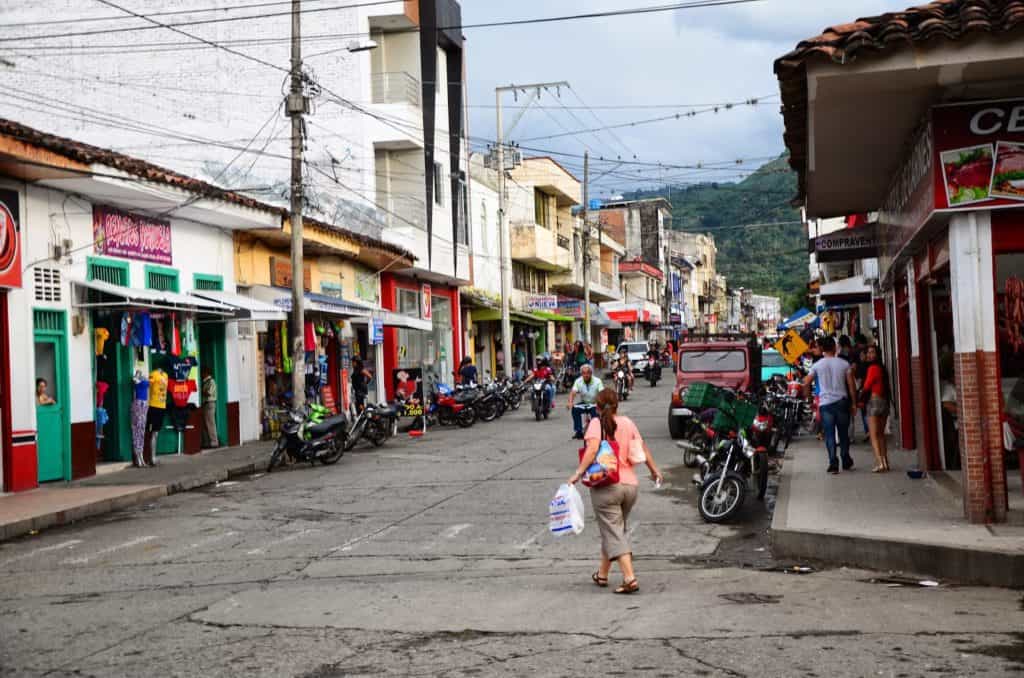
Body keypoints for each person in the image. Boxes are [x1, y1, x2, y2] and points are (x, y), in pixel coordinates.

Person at [567, 388, 663, 594]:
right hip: (630, 487)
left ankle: (629, 578)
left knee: (613, 531)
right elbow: (642, 448)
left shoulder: (595, 423)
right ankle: (603, 574)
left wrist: (578, 473)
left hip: (607, 486)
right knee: (614, 530)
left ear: (597, 406)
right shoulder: (628, 422)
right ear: (617, 405)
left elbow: (592, 450)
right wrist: (654, 470)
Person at [802, 336, 857, 474]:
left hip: (825, 404)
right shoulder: (844, 364)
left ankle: (833, 461)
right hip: (842, 402)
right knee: (843, 434)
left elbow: (806, 383)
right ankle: (845, 459)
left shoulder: (817, 365)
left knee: (830, 435)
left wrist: (809, 399)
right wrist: (854, 403)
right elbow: (851, 385)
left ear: (821, 349)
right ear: (834, 347)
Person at [858, 345, 891, 472]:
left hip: (874, 402)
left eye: (872, 352)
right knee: (881, 434)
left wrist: (859, 396)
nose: (870, 355)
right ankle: (885, 461)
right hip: (884, 402)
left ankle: (880, 463)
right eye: (869, 352)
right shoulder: (883, 369)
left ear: (877, 354)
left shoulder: (872, 368)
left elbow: (867, 386)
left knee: (873, 435)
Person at [567, 363, 603, 439]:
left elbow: (602, 393)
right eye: (583, 373)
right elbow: (573, 393)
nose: (586, 375)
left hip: (595, 403)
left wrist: (600, 404)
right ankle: (579, 431)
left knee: (595, 414)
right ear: (581, 374)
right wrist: (570, 402)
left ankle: (596, 431)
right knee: (575, 409)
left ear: (591, 373)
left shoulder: (598, 381)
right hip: (585, 403)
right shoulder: (578, 381)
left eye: (588, 373)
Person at [201, 367, 220, 449]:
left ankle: (214, 442)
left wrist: (202, 391)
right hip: (206, 404)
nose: (201, 375)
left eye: (203, 373)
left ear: (206, 373)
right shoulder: (206, 382)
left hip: (210, 403)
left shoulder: (211, 382)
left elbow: (209, 393)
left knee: (210, 423)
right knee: (206, 423)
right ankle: (208, 442)